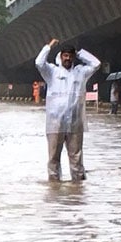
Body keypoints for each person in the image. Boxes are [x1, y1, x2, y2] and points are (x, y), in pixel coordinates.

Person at [34, 38, 101, 181]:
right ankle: (54, 188)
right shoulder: (52, 72)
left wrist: (79, 53)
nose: (68, 58)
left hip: (75, 123)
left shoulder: (80, 72)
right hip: (55, 123)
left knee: (76, 160)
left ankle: (77, 190)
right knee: (53, 159)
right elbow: (39, 62)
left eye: (70, 56)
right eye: (65, 55)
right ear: (61, 56)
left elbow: (96, 64)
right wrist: (49, 46)